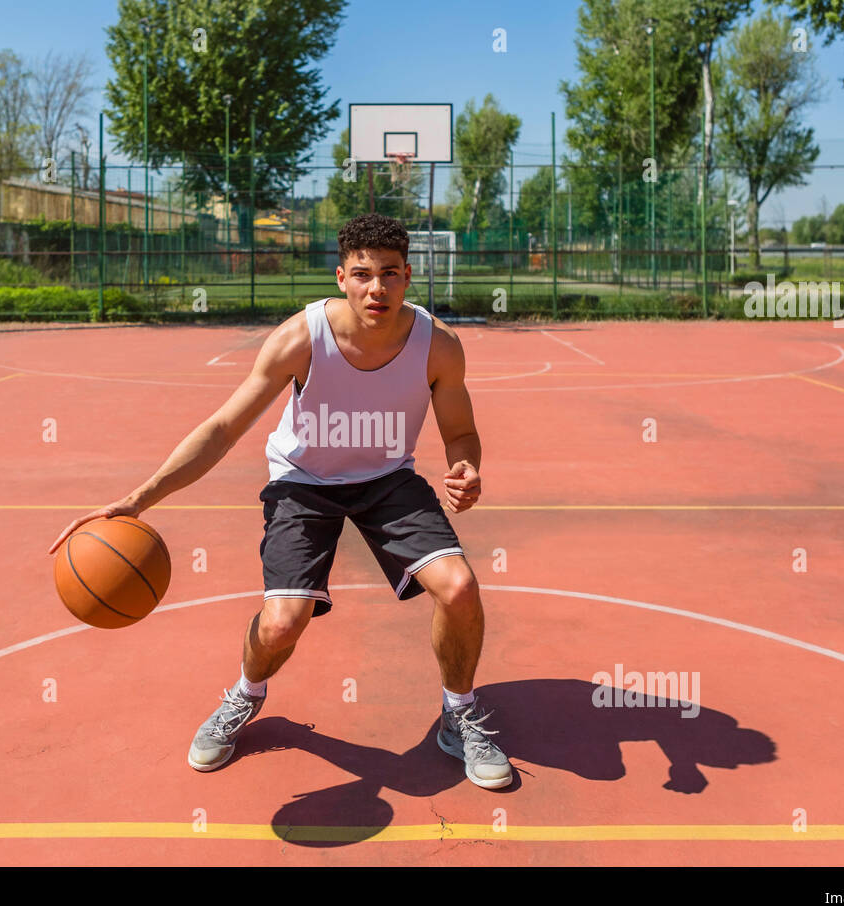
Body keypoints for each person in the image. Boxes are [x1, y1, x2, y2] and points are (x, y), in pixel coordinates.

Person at [49, 213, 511, 790]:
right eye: (363, 274)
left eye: (390, 274)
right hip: (303, 482)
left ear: (408, 277)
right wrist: (139, 500)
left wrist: (467, 466)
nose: (377, 289)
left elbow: (460, 434)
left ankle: (458, 711)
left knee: (461, 586)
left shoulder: (437, 346)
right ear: (341, 277)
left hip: (388, 478)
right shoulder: (303, 337)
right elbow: (223, 427)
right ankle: (245, 694)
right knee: (282, 624)